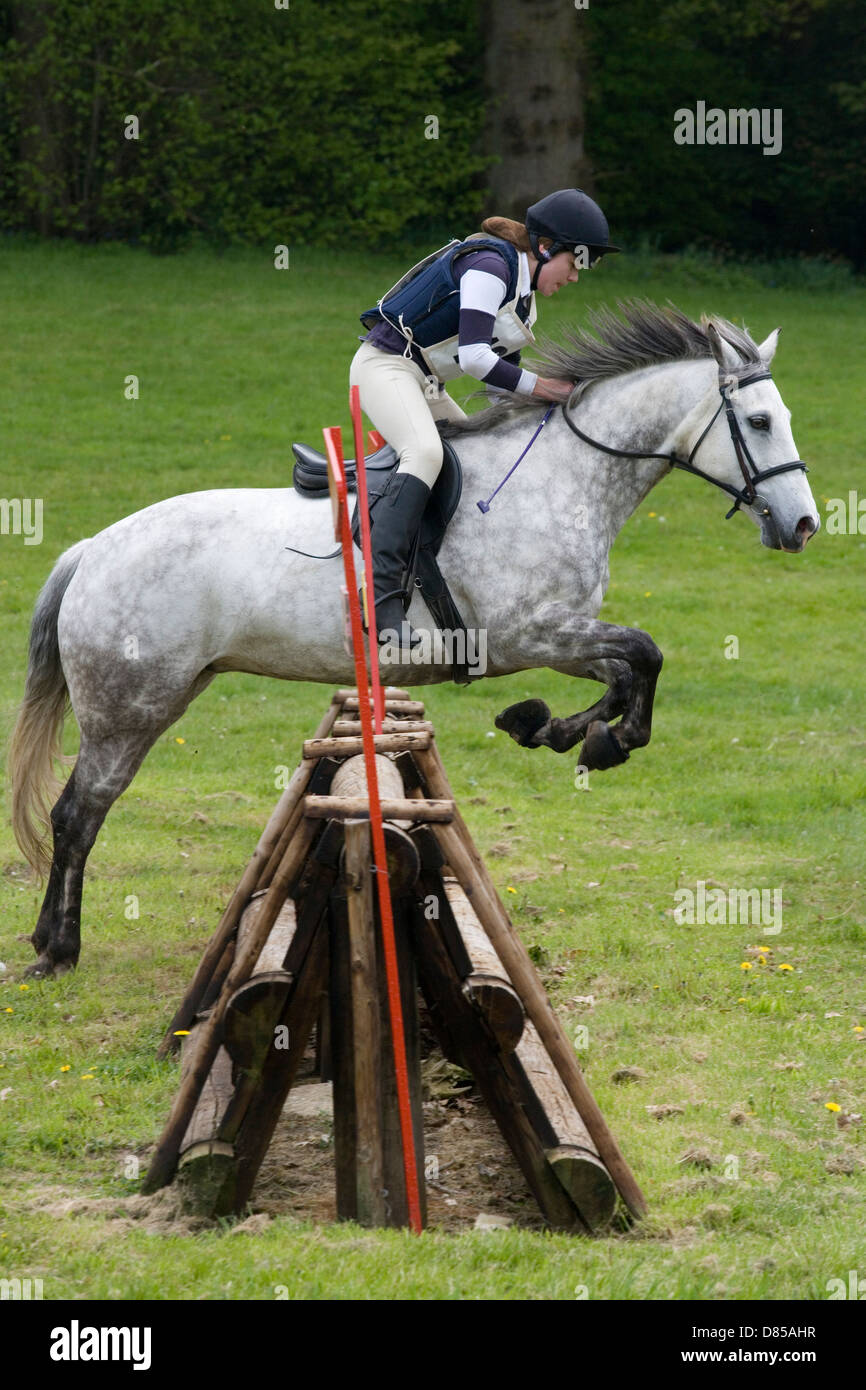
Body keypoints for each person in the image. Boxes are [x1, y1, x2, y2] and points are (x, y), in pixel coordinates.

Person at [350, 188, 619, 649]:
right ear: (545, 248)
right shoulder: (490, 268)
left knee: (474, 460)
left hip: (425, 382)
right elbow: (475, 358)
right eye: (575, 264)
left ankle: (437, 575)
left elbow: (499, 386)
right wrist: (548, 388)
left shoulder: (522, 295)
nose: (576, 277)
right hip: (385, 367)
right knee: (426, 454)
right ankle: (379, 602)